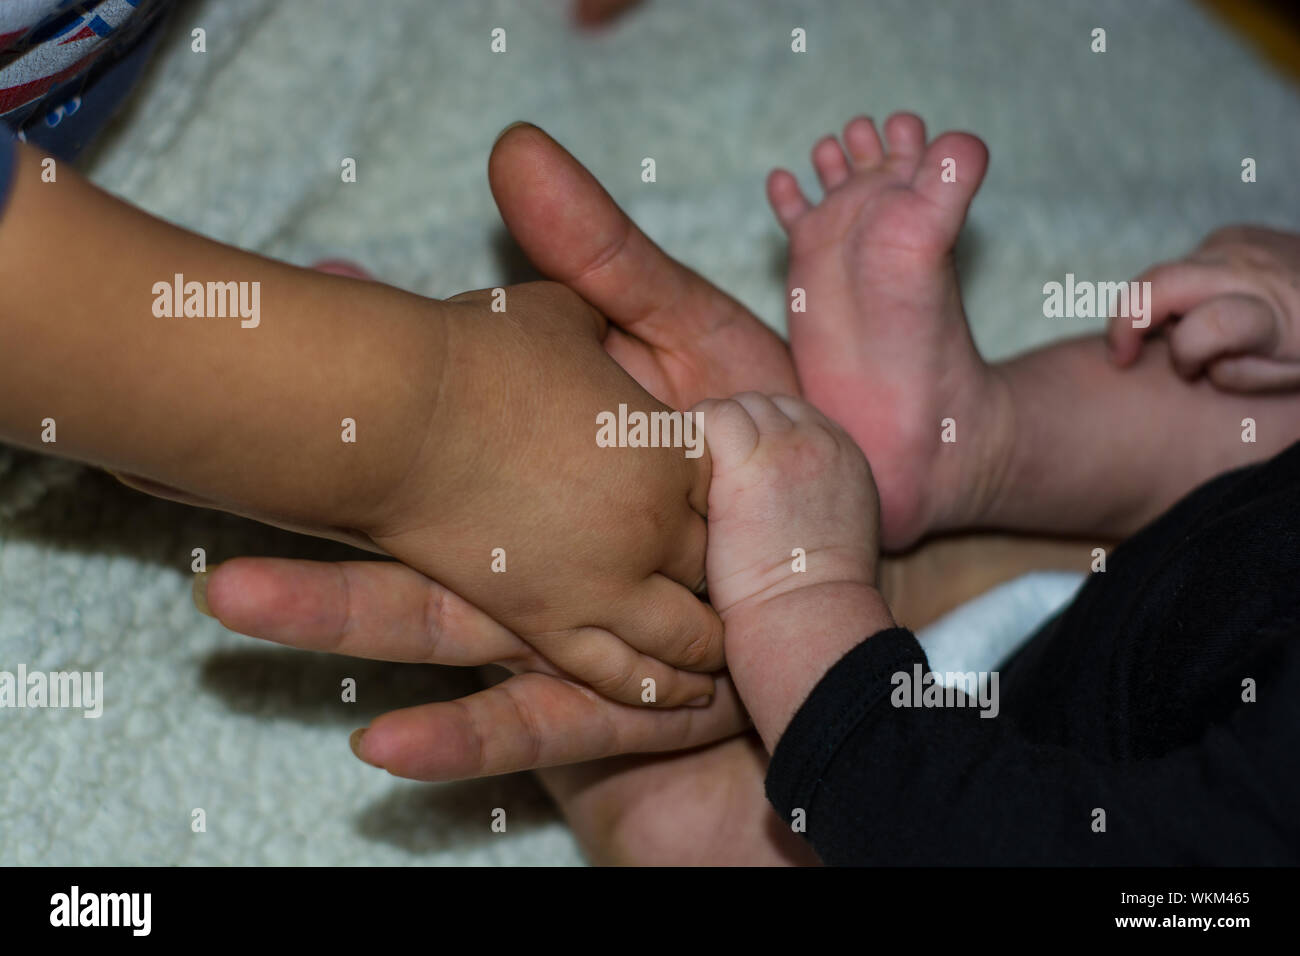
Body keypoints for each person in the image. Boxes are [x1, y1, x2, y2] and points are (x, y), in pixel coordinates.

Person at [205, 120, 1300, 864]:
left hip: (984, 805)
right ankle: (976, 443)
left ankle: (702, 795)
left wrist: (803, 596)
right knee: (1248, 395)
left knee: (606, 563)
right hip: (1180, 597)